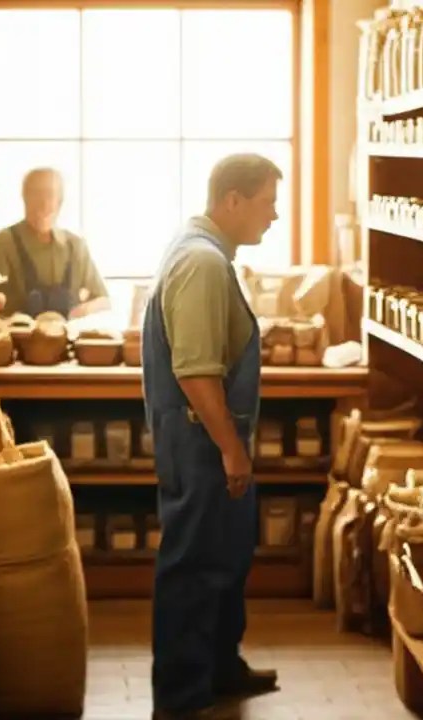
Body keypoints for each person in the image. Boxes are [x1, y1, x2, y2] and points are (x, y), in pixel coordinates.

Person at [142, 153, 283, 720]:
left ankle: (222, 667)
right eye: (268, 204)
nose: (274, 217)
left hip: (209, 437)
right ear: (233, 201)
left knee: (225, 557)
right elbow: (196, 371)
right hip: (201, 439)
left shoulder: (205, 251)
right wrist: (231, 449)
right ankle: (180, 697)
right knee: (194, 566)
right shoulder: (201, 262)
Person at [0, 167, 110, 319]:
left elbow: (104, 301)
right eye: (36, 194)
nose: (44, 203)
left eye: (50, 195)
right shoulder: (1, 243)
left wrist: (83, 311)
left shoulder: (76, 246)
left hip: (69, 338)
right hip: (17, 340)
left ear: (60, 201)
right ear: (24, 197)